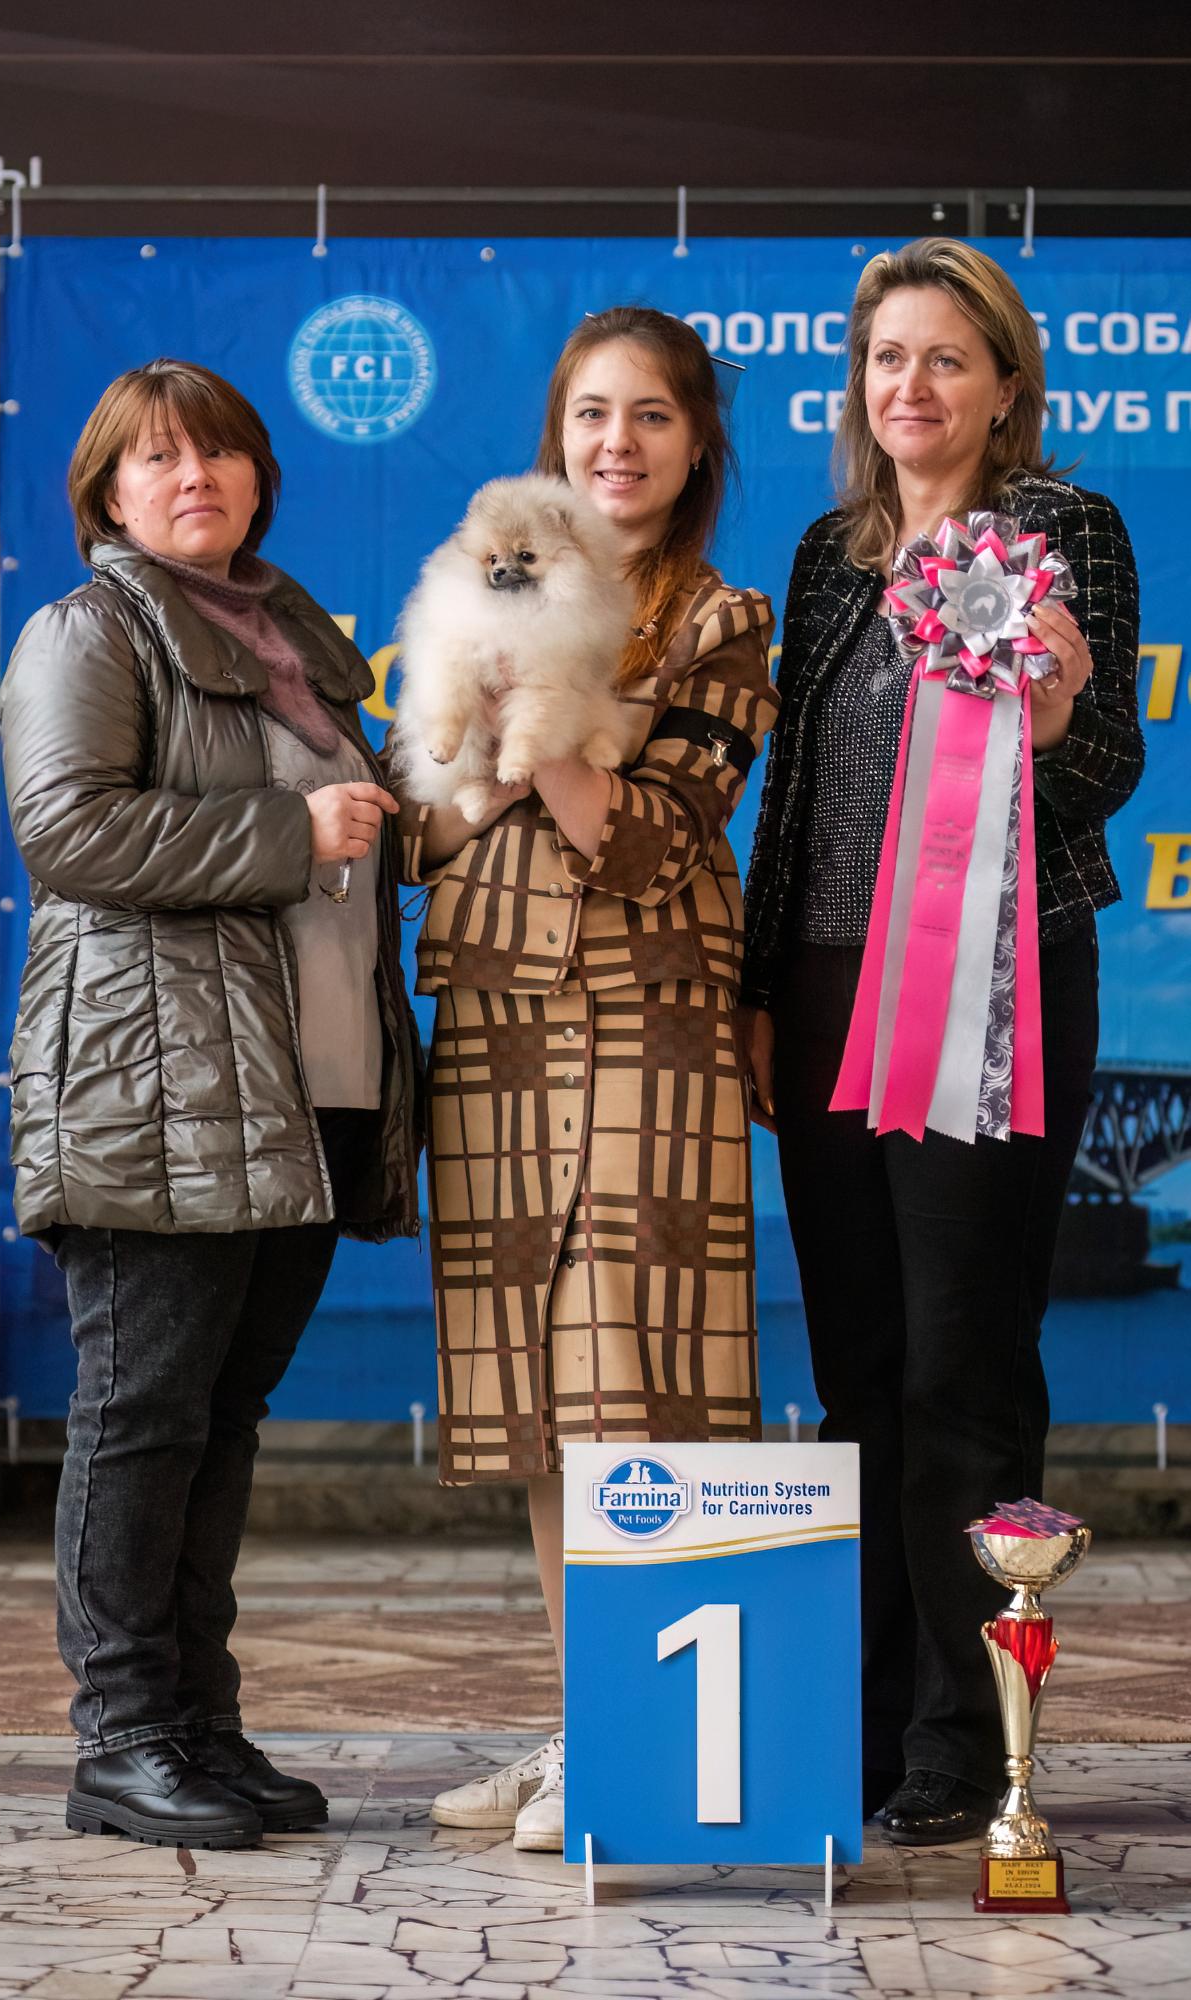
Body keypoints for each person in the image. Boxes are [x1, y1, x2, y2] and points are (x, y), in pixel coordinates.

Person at [739, 240, 1143, 1844]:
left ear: (1005, 385)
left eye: (946, 360)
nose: (912, 387)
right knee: (859, 1371)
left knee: (965, 1367)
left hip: (997, 988)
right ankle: (859, 1723)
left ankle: (968, 1748)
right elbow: (792, 803)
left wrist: (1052, 718)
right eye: (886, 359)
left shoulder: (1060, 533)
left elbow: (1104, 763)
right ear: (858, 387)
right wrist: (767, 989)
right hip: (834, 998)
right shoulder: (831, 555)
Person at [0, 358, 421, 1851]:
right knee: (141, 1415)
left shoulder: (289, 641)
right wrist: (290, 829)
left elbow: (349, 833)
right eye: (164, 460)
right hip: (153, 1092)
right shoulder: (88, 628)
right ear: (107, 491)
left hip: (299, 1090)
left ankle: (197, 1722)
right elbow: (67, 829)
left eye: (226, 456)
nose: (202, 480)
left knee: (217, 1418)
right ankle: (121, 1736)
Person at [393, 306, 778, 1852]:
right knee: (540, 1411)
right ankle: (579, 1731)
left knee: (646, 1386)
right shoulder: (473, 576)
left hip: (649, 1023)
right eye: (592, 414)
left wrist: (535, 699)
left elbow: (650, 837)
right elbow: (425, 813)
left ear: (696, 449)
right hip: (491, 1024)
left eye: (653, 418)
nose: (616, 442)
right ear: (557, 432)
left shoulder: (721, 620)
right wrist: (467, 714)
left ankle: (648, 1737)